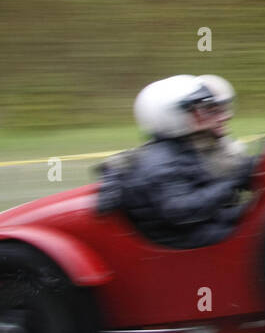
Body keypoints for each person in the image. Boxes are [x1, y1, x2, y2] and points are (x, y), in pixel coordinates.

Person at [97, 75, 256, 249]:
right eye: (207, 110)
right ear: (173, 117)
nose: (224, 116)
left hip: (200, 228)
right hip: (187, 240)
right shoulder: (162, 162)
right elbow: (181, 211)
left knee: (262, 213)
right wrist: (232, 182)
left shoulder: (190, 147)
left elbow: (237, 170)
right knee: (258, 230)